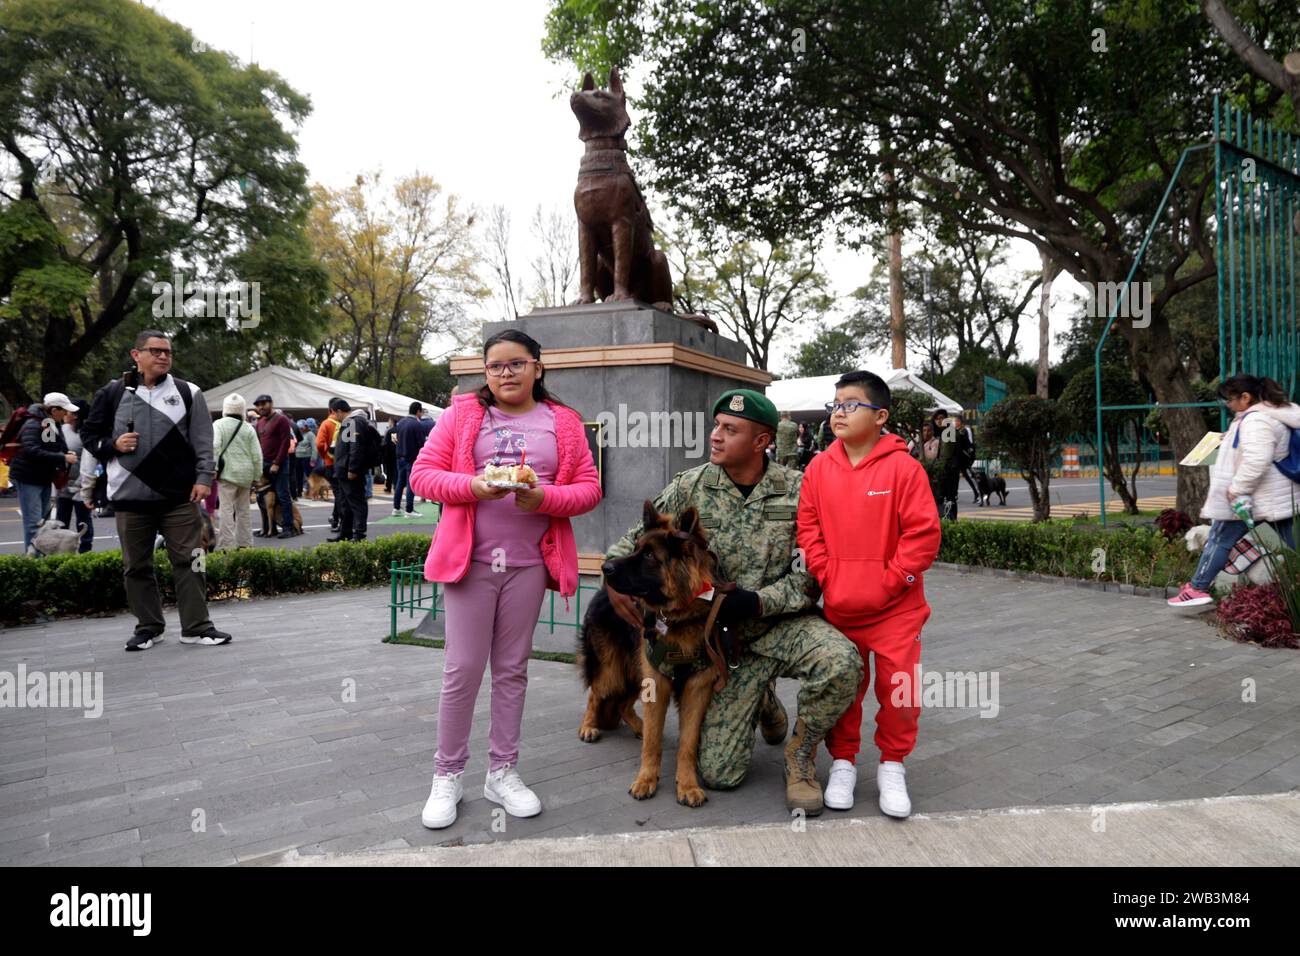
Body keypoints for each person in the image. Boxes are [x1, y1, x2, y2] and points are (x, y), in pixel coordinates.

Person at [603, 388, 861, 814]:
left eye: (730, 429)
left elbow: (815, 573)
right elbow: (632, 541)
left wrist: (759, 602)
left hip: (781, 623)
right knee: (720, 775)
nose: (716, 436)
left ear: (761, 441)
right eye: (716, 426)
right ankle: (761, 698)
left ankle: (800, 757)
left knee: (842, 662)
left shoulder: (800, 490)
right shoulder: (691, 485)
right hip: (720, 642)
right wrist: (613, 579)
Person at [410, 329, 602, 830]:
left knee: (513, 669)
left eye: (516, 364)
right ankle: (447, 775)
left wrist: (544, 499)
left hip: (528, 564)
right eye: (495, 366)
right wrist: (473, 485)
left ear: (538, 367)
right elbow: (423, 475)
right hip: (470, 563)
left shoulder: (563, 422)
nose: (505, 374)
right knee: (463, 670)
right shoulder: (463, 415)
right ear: (485, 373)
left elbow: (588, 489)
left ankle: (503, 771)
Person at [797, 371, 942, 818]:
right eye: (835, 404)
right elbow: (809, 529)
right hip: (840, 606)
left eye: (850, 404)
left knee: (899, 690)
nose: (839, 412)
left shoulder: (904, 468)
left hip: (896, 609)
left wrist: (889, 580)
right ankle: (842, 762)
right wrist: (829, 575)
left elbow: (922, 534)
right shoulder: (819, 467)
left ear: (880, 416)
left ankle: (892, 767)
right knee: (845, 688)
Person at [80, 330, 231, 650]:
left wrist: (204, 478)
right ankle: (148, 626)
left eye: (168, 352)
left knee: (193, 559)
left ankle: (197, 626)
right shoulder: (111, 393)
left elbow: (204, 440)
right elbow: (89, 437)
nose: (163, 356)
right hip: (129, 496)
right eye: (156, 351)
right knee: (136, 566)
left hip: (179, 496)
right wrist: (112, 444)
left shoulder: (189, 392)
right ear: (137, 355)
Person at [1168, 374, 1300, 607]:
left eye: (1230, 399)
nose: (1228, 405)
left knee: (1219, 538)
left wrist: (1237, 488)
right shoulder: (1269, 415)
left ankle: (1197, 588)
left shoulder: (1257, 421)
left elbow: (1257, 460)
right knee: (1290, 544)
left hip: (1251, 498)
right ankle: (1197, 587)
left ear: (1245, 397)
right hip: (1272, 498)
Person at [11, 393, 78, 554]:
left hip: (43, 477)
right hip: (28, 477)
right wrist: (63, 456)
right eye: (65, 411)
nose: (67, 414)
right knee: (34, 524)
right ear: (54, 410)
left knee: (45, 523)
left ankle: (40, 560)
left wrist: (65, 452)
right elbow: (31, 450)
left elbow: (51, 446)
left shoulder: (50, 423)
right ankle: (33, 563)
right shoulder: (33, 424)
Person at [212, 394, 261, 550]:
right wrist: (257, 476)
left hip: (227, 474)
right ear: (242, 409)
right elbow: (257, 454)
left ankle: (227, 544)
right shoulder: (248, 428)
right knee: (243, 510)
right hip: (246, 474)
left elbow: (214, 447)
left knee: (226, 509)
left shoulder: (218, 424)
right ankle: (245, 543)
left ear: (225, 409)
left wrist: (213, 469)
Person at [328, 401, 378, 542]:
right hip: (344, 470)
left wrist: (353, 468)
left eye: (334, 413)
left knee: (356, 502)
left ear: (338, 411)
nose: (334, 416)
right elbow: (349, 446)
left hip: (349, 471)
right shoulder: (351, 422)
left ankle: (359, 534)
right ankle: (346, 533)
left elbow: (355, 446)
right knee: (345, 504)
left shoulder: (353, 422)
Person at [54, 399, 94, 553]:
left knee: (83, 521)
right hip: (63, 484)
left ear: (76, 416)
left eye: (69, 411)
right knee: (61, 521)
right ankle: (60, 553)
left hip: (81, 485)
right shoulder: (59, 428)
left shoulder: (86, 434)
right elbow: (49, 447)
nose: (65, 413)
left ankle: (85, 552)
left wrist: (82, 484)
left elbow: (92, 461)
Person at [252, 395, 295, 538]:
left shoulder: (281, 419)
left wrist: (277, 463)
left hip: (279, 464)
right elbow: (258, 445)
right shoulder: (259, 423)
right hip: (264, 464)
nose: (260, 407)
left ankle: (288, 528)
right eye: (258, 405)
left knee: (283, 495)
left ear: (271, 403)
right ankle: (267, 528)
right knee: (262, 497)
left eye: (263, 404)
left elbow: (285, 443)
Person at [393, 401, 434, 517]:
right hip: (411, 458)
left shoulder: (401, 423)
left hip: (399, 456)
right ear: (418, 411)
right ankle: (409, 510)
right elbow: (421, 443)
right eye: (421, 412)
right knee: (410, 483)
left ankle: (396, 508)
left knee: (400, 483)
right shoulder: (417, 424)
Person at [317, 403, 344, 531]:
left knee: (338, 493)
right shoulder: (344, 423)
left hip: (330, 463)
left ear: (330, 410)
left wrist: (324, 456)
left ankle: (342, 521)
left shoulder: (326, 424)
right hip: (343, 462)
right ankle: (335, 517)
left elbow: (319, 444)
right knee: (340, 492)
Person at [953, 414, 980, 504]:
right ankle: (955, 495)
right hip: (958, 458)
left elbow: (968, 444)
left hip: (965, 458)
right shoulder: (957, 431)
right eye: (954, 421)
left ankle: (978, 493)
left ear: (961, 422)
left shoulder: (964, 431)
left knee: (969, 476)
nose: (955, 423)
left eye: (956, 421)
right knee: (956, 477)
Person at [296, 418, 316, 497]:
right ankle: (299, 492)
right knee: (298, 476)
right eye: (299, 428)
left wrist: (313, 459)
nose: (300, 429)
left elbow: (314, 447)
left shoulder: (310, 434)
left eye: (301, 428)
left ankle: (312, 492)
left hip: (307, 457)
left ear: (305, 427)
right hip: (297, 457)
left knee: (309, 476)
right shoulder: (297, 433)